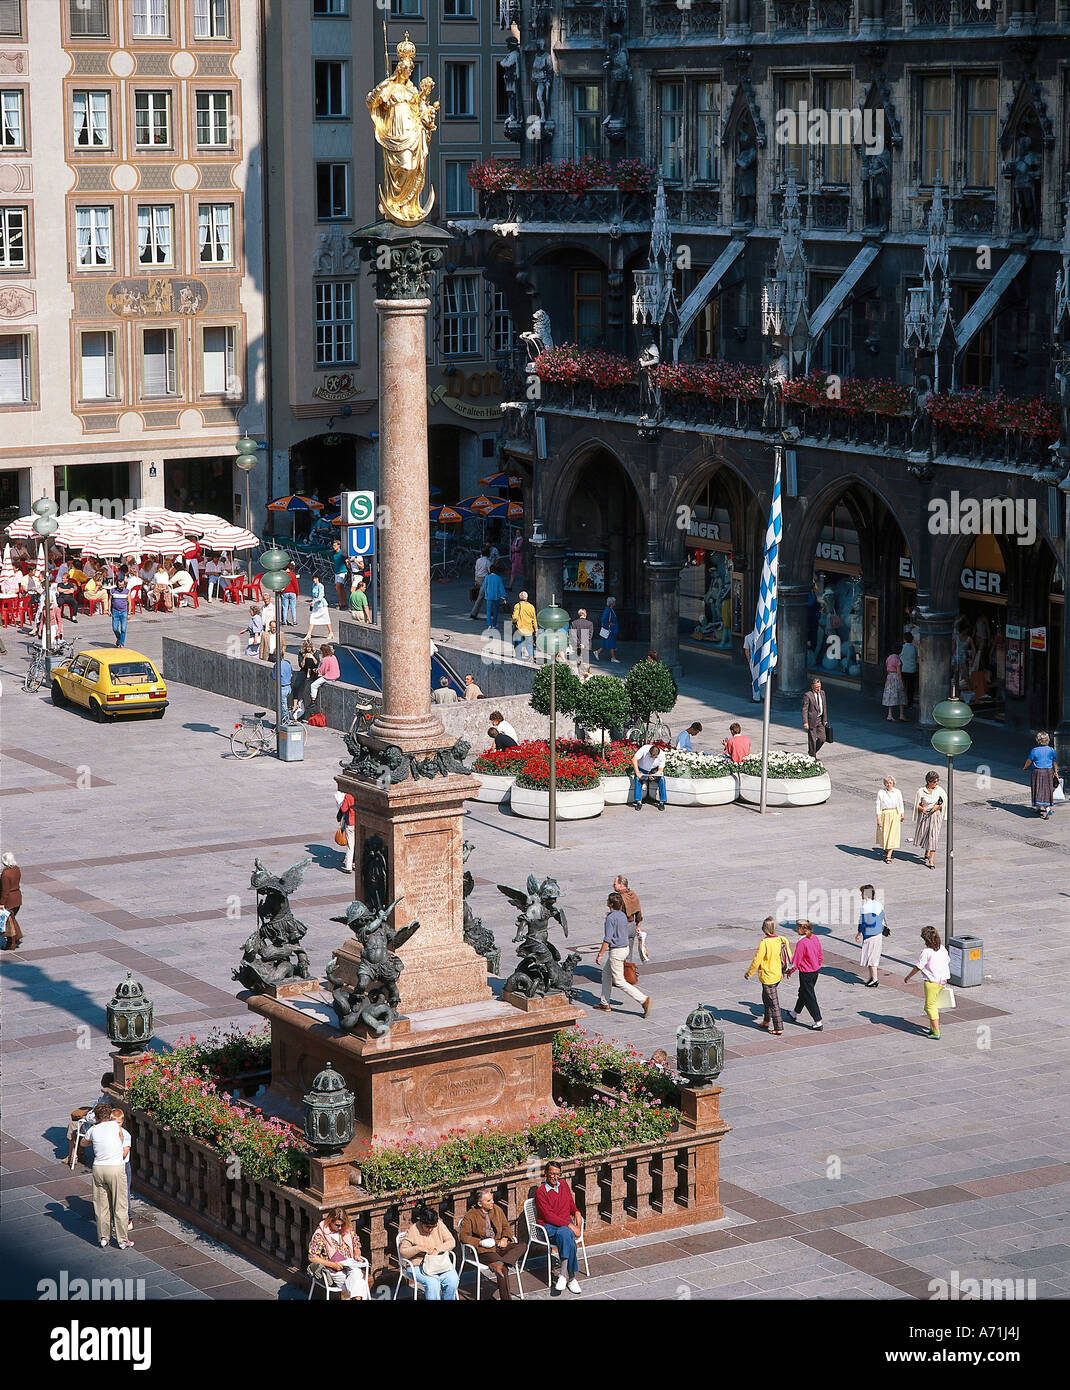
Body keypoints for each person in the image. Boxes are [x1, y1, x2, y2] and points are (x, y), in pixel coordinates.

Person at [79, 1102, 132, 1249]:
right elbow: (121, 1139)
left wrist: (95, 1141)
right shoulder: (115, 1126)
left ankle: (103, 1238)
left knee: (101, 1204)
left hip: (99, 1168)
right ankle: (122, 1240)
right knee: (120, 1204)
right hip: (115, 1167)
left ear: (96, 1117)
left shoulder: (93, 1130)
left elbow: (83, 1143)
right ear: (109, 1116)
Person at [457, 1188, 526, 1301]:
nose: (492, 1202)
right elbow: (464, 1237)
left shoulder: (497, 1209)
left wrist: (505, 1238)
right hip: (484, 1250)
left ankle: (501, 1263)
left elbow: (506, 1227)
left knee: (522, 1245)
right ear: (480, 1203)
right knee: (502, 1269)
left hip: (499, 1245)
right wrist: (480, 1242)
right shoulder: (470, 1215)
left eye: (492, 1199)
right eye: (488, 1201)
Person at [595, 891, 652, 1017]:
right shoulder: (622, 915)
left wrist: (600, 954)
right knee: (606, 974)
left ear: (610, 903)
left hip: (616, 951)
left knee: (620, 981)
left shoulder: (610, 918)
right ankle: (604, 1003)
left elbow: (607, 938)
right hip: (625, 948)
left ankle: (643, 999)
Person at [534, 1162, 583, 1295]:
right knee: (566, 1234)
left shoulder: (564, 1185)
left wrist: (577, 1212)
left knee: (565, 1234)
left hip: (564, 1227)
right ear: (546, 1173)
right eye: (552, 1174)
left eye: (557, 1174)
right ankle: (571, 1278)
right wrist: (571, 1225)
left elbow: (571, 1205)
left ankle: (563, 1275)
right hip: (549, 1228)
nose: (555, 1177)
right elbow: (548, 1216)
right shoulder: (541, 1192)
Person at [744, 916, 793, 1036]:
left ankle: (778, 1027)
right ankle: (766, 1020)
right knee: (766, 998)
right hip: (777, 974)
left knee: (773, 1002)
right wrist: (788, 971)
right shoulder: (782, 939)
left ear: (764, 929)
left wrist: (749, 973)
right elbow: (789, 957)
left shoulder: (764, 943)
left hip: (768, 976)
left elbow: (757, 960)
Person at [399, 1205, 459, 1301]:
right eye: (427, 1227)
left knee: (453, 1280)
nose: (430, 1229)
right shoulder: (413, 1230)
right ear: (421, 1222)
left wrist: (437, 1249)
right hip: (418, 1265)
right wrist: (418, 1248)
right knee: (433, 1284)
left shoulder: (439, 1225)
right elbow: (403, 1252)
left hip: (439, 1263)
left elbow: (451, 1241)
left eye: (433, 1226)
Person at [308, 1208, 370, 1300]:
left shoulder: (347, 1230)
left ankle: (356, 1298)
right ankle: (357, 1298)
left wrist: (357, 1255)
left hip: (350, 1264)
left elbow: (356, 1246)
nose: (340, 1228)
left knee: (356, 1275)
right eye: (337, 1225)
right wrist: (333, 1264)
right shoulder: (320, 1234)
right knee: (358, 1281)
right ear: (330, 1221)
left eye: (342, 1225)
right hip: (333, 1269)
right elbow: (312, 1257)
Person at [904, 926, 951, 1040]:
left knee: (929, 1007)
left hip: (931, 982)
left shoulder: (926, 952)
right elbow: (948, 960)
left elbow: (918, 966)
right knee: (934, 1004)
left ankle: (936, 1031)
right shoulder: (942, 948)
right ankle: (931, 1027)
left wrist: (908, 977)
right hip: (943, 981)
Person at [784, 919, 823, 1030]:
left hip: (806, 973)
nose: (797, 929)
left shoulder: (802, 942)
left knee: (809, 996)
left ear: (802, 929)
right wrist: (817, 964)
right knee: (803, 992)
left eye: (798, 927)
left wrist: (790, 971)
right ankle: (794, 1013)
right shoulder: (815, 938)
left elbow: (797, 959)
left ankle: (818, 1020)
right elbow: (820, 954)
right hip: (815, 971)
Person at [912, 771, 947, 870]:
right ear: (929, 781)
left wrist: (937, 807)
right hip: (925, 816)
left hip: (935, 816)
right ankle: (927, 851)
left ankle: (931, 859)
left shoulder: (939, 790)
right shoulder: (921, 791)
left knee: (933, 836)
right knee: (924, 835)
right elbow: (916, 805)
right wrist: (923, 809)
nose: (937, 783)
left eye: (937, 781)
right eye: (935, 781)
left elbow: (944, 802)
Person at [1023, 731, 1059, 820]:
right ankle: (1038, 807)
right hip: (1048, 772)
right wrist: (1055, 772)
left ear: (1038, 740)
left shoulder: (1034, 751)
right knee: (1047, 789)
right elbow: (1054, 762)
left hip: (1038, 772)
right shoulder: (1051, 750)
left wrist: (1024, 768)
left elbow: (1029, 761)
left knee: (1038, 788)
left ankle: (1047, 809)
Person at [855, 884, 886, 986]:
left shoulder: (865, 907)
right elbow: (882, 918)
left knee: (871, 958)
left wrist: (860, 933)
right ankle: (871, 977)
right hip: (878, 934)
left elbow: (863, 923)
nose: (861, 895)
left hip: (870, 936)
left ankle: (875, 980)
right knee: (872, 957)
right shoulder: (878, 904)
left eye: (862, 893)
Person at [110, 1107, 134, 1230]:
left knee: (124, 1193)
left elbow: (124, 1152)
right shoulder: (109, 1133)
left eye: (118, 1122)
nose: (116, 1125)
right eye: (114, 1122)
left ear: (122, 1121)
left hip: (123, 1165)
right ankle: (116, 1218)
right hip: (113, 1165)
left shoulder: (125, 1134)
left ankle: (128, 1219)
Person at [613, 873, 647, 961]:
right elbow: (638, 912)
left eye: (615, 884)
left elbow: (617, 915)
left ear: (621, 885)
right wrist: (638, 926)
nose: (613, 885)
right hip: (632, 927)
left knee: (618, 952)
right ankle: (629, 972)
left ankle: (621, 973)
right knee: (629, 954)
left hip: (623, 927)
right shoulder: (633, 894)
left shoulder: (619, 898)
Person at [875, 774, 905, 864]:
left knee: (893, 834)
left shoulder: (897, 792)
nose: (889, 784)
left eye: (890, 783)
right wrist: (878, 818)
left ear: (893, 783)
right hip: (885, 814)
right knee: (885, 834)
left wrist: (902, 814)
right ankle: (887, 849)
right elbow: (878, 805)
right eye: (887, 783)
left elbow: (900, 803)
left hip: (894, 814)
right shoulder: (881, 792)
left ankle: (889, 856)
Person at [631, 741, 666, 811]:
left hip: (654, 771)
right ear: (649, 753)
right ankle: (638, 802)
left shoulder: (662, 754)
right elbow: (634, 759)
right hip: (643, 770)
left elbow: (661, 769)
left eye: (655, 757)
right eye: (652, 756)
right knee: (638, 779)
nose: (653, 759)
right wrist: (638, 773)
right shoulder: (644, 749)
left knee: (662, 779)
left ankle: (662, 802)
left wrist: (655, 776)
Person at [801, 677, 829, 756]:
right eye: (816, 687)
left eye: (819, 686)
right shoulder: (808, 695)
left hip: (820, 720)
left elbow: (824, 707)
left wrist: (825, 719)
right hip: (812, 720)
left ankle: (811, 753)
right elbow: (804, 709)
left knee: (822, 738)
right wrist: (805, 722)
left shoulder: (822, 693)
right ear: (812, 686)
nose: (818, 689)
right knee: (812, 740)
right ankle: (813, 756)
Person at [1, 850, 23, 949]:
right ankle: (16, 939)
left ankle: (12, 942)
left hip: (9, 899)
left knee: (9, 920)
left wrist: (1, 903)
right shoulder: (17, 869)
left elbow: (5, 891)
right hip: (17, 896)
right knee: (12, 918)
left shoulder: (5, 874)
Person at [511, 590, 538, 661]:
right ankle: (531, 656)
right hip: (529, 630)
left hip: (519, 629)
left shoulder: (517, 606)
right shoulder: (531, 607)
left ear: (519, 598)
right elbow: (534, 619)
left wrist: (513, 621)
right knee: (529, 645)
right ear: (527, 598)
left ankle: (518, 657)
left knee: (518, 643)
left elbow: (515, 617)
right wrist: (536, 629)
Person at [306, 576, 334, 642]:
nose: (314, 580)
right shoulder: (313, 585)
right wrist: (313, 602)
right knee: (312, 618)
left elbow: (321, 596)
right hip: (315, 605)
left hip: (322, 605)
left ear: (318, 579)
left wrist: (314, 601)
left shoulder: (321, 586)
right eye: (313, 578)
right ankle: (309, 634)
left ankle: (330, 632)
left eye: (315, 578)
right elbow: (313, 595)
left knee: (326, 618)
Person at [882, 649, 907, 721]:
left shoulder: (889, 658)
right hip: (896, 677)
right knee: (901, 695)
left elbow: (887, 668)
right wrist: (902, 683)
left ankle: (889, 714)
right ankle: (901, 715)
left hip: (889, 677)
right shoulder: (897, 659)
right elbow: (899, 673)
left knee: (890, 696)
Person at [469, 545, 493, 619]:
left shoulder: (478, 560)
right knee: (482, 596)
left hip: (478, 578)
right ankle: (473, 613)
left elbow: (476, 570)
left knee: (485, 595)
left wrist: (475, 580)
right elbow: (490, 571)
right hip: (485, 579)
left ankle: (490, 610)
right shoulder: (488, 562)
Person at [593, 596, 619, 662]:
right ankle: (613, 658)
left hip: (609, 630)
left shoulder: (609, 609)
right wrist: (609, 623)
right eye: (614, 602)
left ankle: (597, 652)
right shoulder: (608, 610)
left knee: (606, 644)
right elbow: (604, 619)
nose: (615, 603)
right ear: (612, 603)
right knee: (611, 644)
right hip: (609, 630)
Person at [482, 564, 506, 631]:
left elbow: (484, 586)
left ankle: (489, 624)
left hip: (489, 596)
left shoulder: (487, 577)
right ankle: (494, 624)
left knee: (488, 611)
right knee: (495, 611)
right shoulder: (498, 578)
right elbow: (501, 588)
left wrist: (486, 593)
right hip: (496, 596)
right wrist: (504, 596)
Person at [899, 629, 919, 709]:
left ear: (904, 639)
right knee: (911, 688)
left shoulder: (902, 647)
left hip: (903, 669)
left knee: (903, 687)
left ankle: (902, 703)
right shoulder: (914, 648)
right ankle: (910, 704)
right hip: (912, 669)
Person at [109, 574, 130, 648]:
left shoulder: (127, 591)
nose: (121, 586)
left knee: (123, 629)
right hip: (115, 611)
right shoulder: (113, 590)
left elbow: (129, 602)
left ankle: (122, 644)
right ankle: (119, 638)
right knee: (115, 628)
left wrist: (129, 613)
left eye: (122, 585)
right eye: (119, 585)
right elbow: (110, 600)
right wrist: (109, 610)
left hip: (124, 612)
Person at [331, 539, 349, 611]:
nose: (333, 547)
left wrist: (349, 568)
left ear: (339, 545)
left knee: (338, 587)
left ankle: (341, 603)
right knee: (340, 588)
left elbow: (347, 560)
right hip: (336, 572)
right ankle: (344, 602)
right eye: (333, 545)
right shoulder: (334, 554)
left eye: (335, 545)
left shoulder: (342, 553)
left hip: (343, 571)